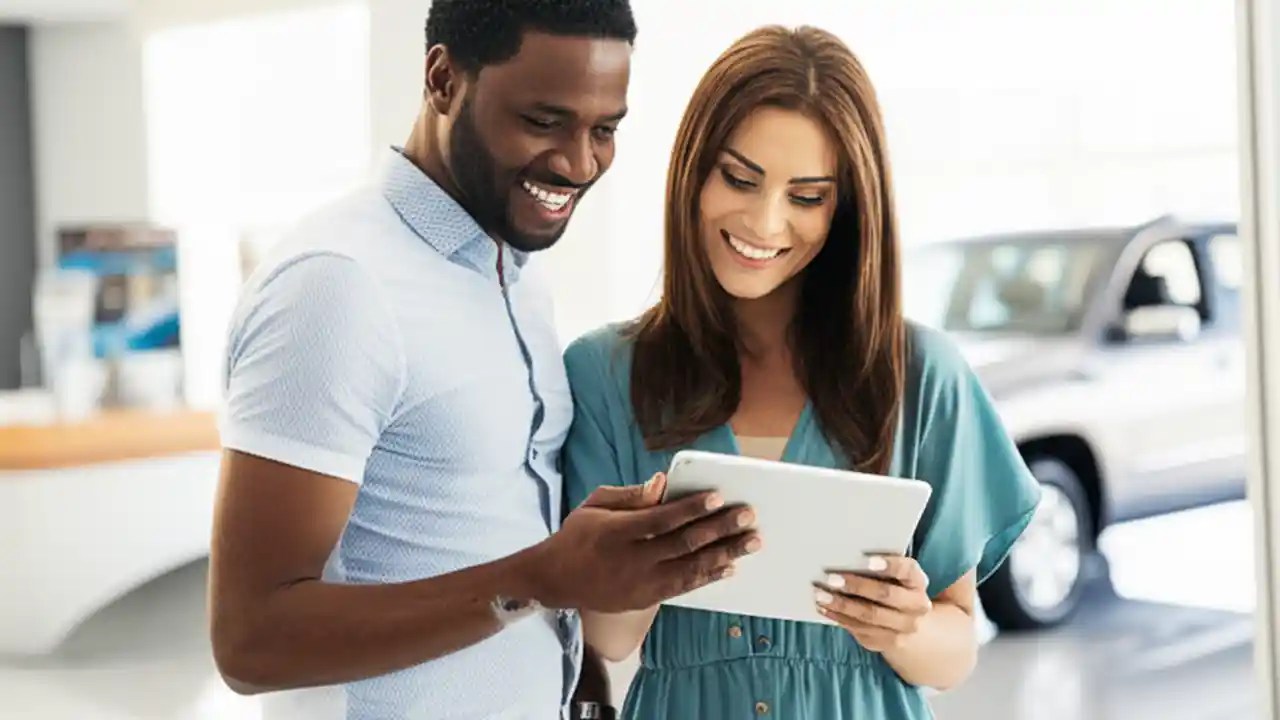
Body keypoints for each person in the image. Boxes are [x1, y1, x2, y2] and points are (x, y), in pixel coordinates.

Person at [208, 3, 760, 719]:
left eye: (605, 130)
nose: (579, 163)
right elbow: (251, 642)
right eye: (543, 121)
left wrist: (577, 667)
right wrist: (543, 575)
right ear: (442, 79)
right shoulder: (337, 287)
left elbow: (476, 542)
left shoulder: (514, 269)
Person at [562, 25, 1043, 719]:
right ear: (694, 170)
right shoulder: (606, 372)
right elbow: (609, 640)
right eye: (739, 178)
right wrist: (646, 561)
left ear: (847, 209)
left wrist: (904, 624)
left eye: (807, 196)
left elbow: (956, 645)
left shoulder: (922, 375)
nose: (765, 221)